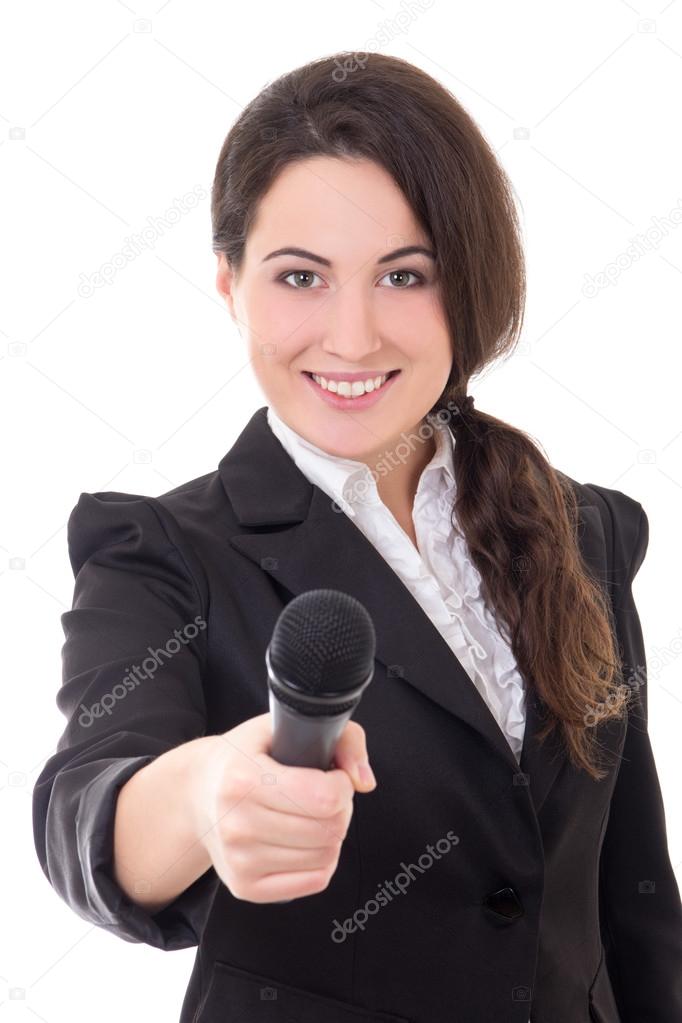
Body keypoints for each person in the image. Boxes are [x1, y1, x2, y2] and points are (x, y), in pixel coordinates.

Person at [32, 51, 681, 1023]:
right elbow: (87, 806)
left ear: (468, 283)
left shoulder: (579, 529)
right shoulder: (160, 552)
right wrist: (207, 793)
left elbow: (634, 895)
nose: (351, 337)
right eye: (301, 276)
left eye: (403, 275)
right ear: (229, 284)